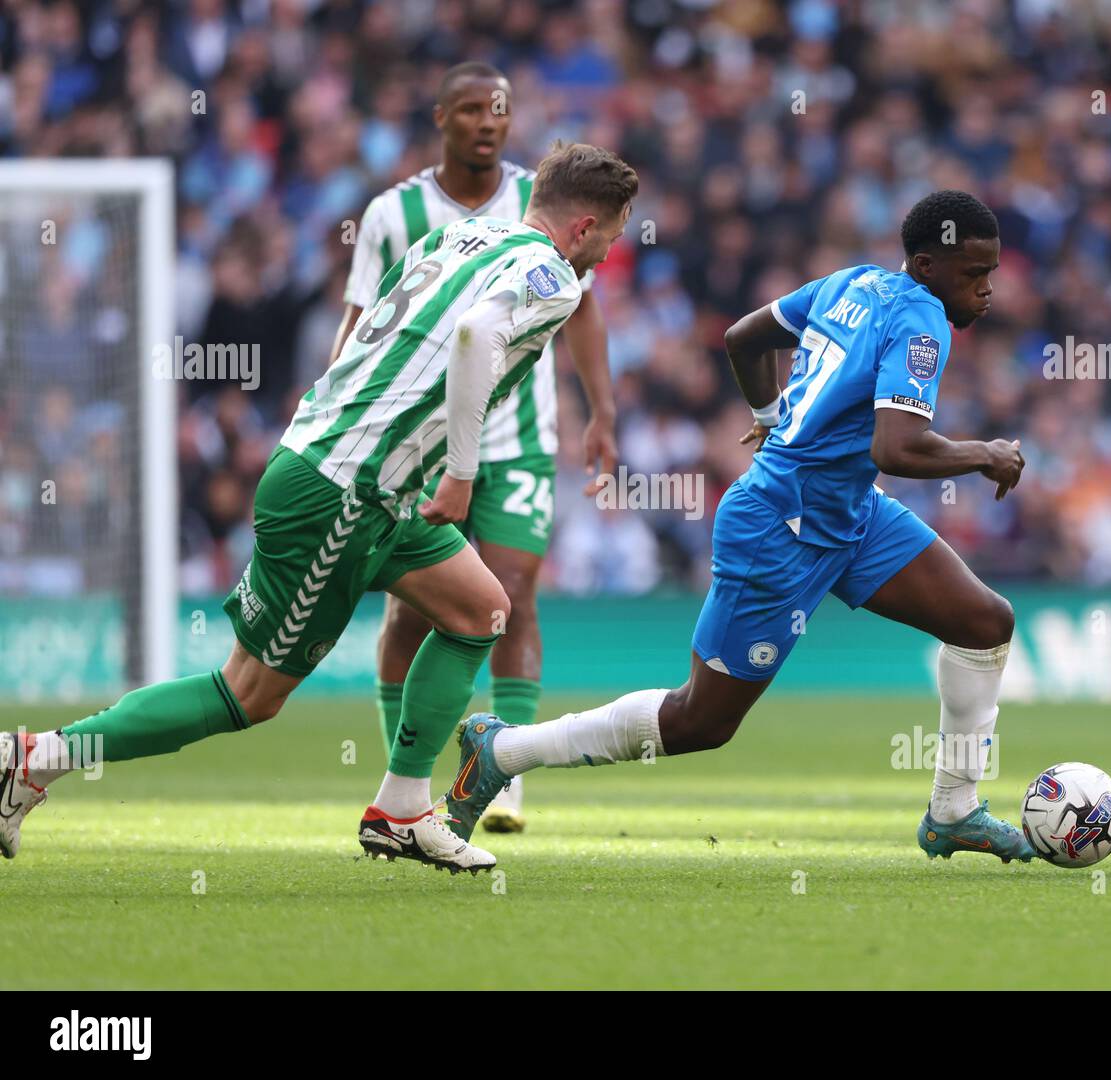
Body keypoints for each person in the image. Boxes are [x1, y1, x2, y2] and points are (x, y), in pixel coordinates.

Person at [0, 143, 639, 874]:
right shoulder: (552, 275)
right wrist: (461, 474)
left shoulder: (459, 235)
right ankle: (35, 758)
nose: (607, 255)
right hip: (344, 492)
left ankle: (401, 807)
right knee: (245, 694)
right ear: (584, 227)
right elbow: (475, 335)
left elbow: (373, 329)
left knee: (479, 612)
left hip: (358, 477)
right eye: (613, 239)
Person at [437, 190, 1037, 865]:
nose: (987, 291)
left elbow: (743, 336)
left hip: (849, 511)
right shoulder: (923, 319)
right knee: (701, 720)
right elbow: (896, 449)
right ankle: (502, 750)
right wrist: (984, 452)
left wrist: (769, 411)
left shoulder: (852, 283)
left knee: (984, 623)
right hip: (779, 525)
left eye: (990, 275)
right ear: (926, 265)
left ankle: (954, 810)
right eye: (973, 275)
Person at [331, 61, 618, 834]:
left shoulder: (545, 203)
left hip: (519, 437)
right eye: (471, 110)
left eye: (500, 110)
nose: (489, 122)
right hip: (420, 440)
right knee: (415, 612)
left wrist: (602, 409)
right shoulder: (394, 212)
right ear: (440, 119)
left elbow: (582, 313)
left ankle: (509, 768)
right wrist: (336, 398)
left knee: (513, 593)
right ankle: (407, 775)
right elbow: (364, 315)